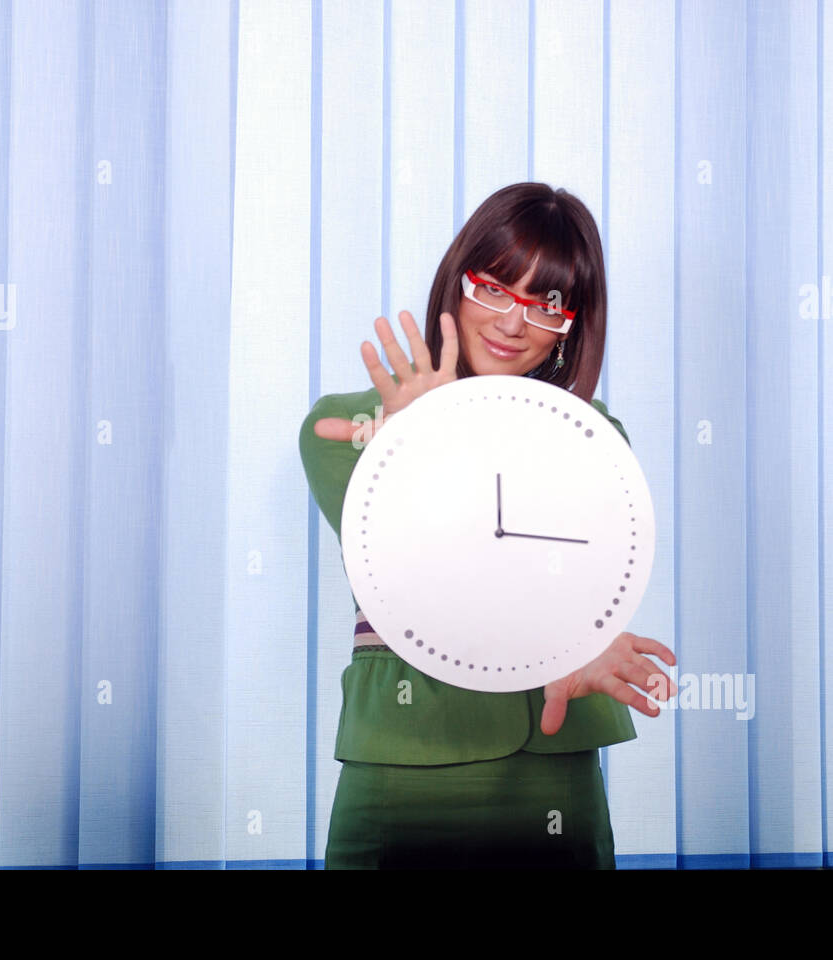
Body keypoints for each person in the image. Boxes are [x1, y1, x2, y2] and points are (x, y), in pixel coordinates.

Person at [299, 182, 677, 869]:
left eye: (548, 305)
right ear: (458, 282)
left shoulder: (596, 440)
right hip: (406, 762)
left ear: (574, 325)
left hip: (552, 768)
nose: (512, 323)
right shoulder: (347, 428)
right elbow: (426, 563)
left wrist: (584, 636)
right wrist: (422, 441)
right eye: (495, 288)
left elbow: (573, 569)